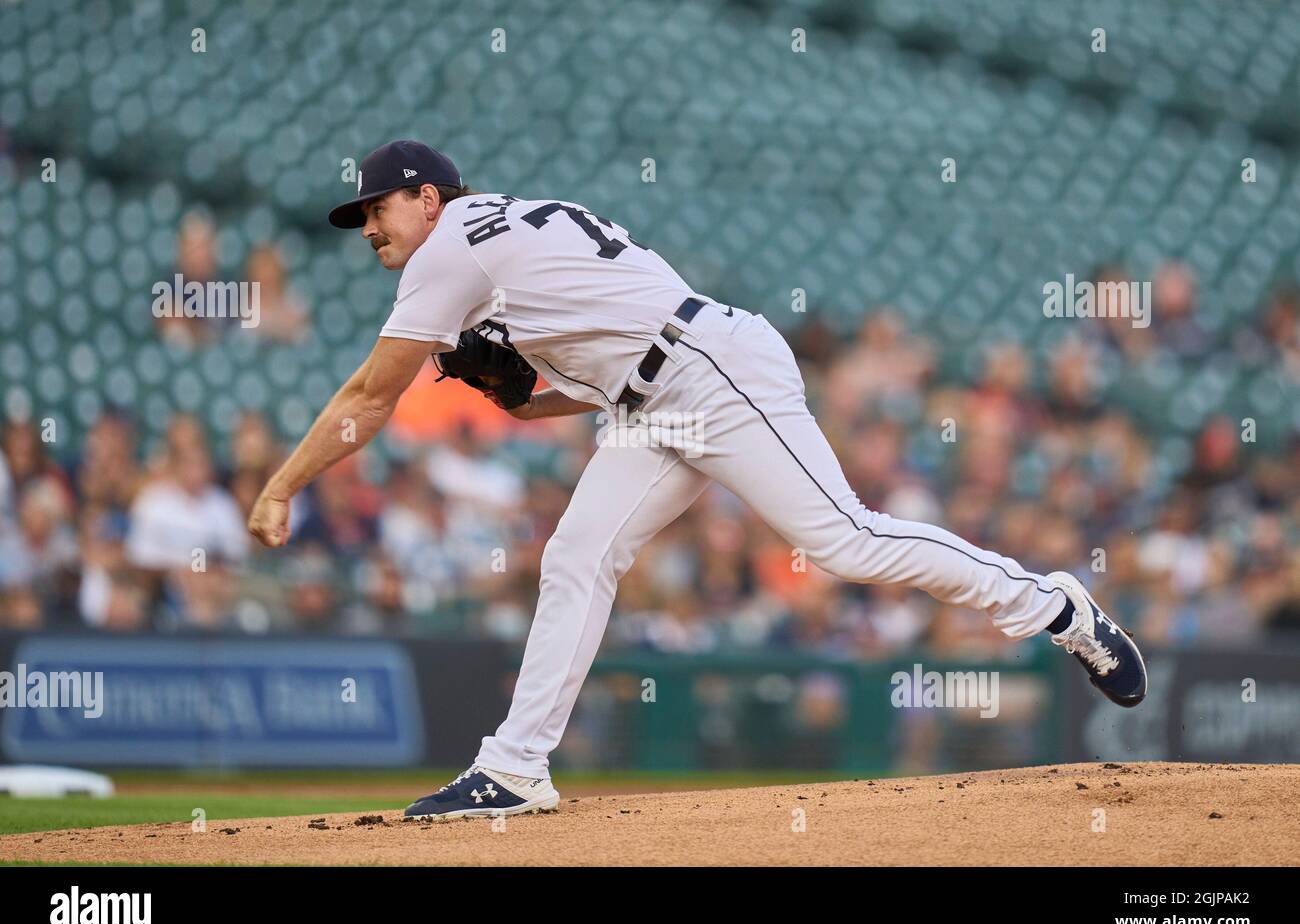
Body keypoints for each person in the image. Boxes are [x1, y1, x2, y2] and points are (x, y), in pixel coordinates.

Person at [246, 139, 1147, 821]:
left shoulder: (450, 250)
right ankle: (516, 766)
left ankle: (1052, 605)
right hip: (655, 393)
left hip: (711, 373)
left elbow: (372, 395)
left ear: (428, 197)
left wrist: (283, 483)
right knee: (576, 556)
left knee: (842, 539)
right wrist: (525, 398)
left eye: (377, 209)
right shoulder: (513, 226)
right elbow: (577, 383)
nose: (369, 227)